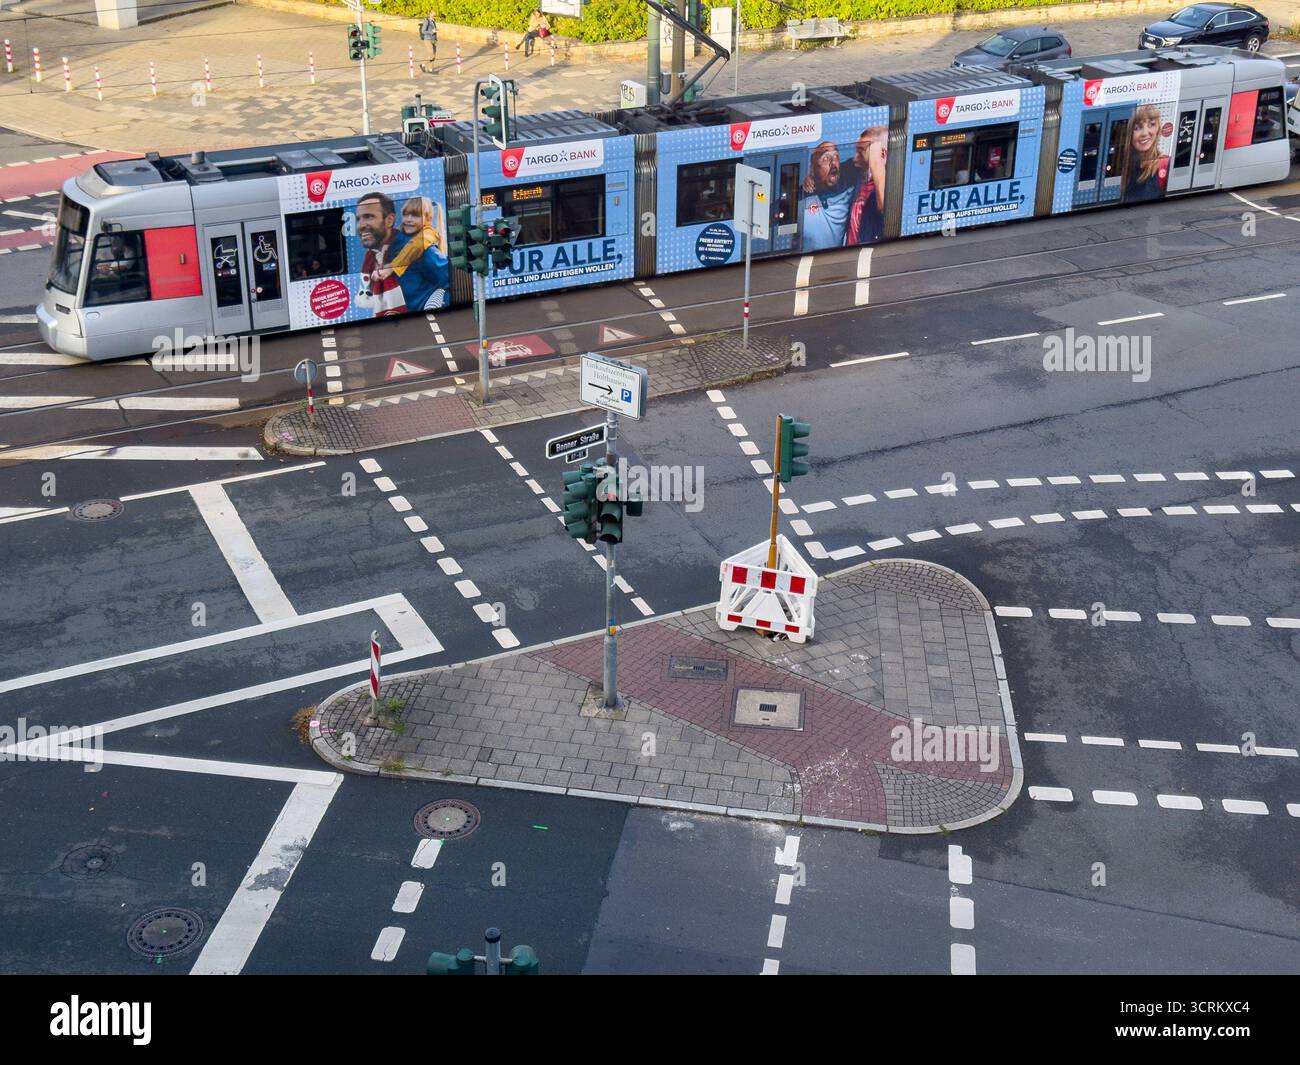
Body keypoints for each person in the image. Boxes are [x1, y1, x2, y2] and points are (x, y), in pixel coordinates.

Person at [375, 197, 451, 311]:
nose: (408, 219)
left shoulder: (427, 250)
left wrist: (392, 268)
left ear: (428, 218)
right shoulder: (399, 238)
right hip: (412, 305)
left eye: (415, 215)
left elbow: (449, 277)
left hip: (427, 300)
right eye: (405, 215)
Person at [354, 192, 408, 317]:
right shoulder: (371, 255)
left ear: (389, 220)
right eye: (358, 219)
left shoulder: (407, 249)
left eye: (368, 217)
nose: (360, 226)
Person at [800, 141, 855, 251]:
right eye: (825, 159)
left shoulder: (849, 182)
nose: (833, 162)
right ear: (812, 169)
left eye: (836, 156)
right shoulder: (801, 197)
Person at [846, 126, 887, 246]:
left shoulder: (893, 184)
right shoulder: (857, 176)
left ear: (882, 153)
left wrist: (876, 162)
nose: (855, 158)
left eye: (860, 151)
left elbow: (885, 209)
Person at [1122, 103, 1169, 204]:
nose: (1145, 133)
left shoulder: (1165, 164)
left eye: (1151, 125)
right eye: (1138, 127)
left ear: (1157, 129)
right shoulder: (1126, 166)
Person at [419, 10, 438, 74]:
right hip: (427, 39)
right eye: (433, 14)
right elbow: (423, 31)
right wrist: (431, 31)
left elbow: (433, 30)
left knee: (434, 55)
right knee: (431, 54)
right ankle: (423, 64)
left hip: (433, 39)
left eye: (435, 14)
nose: (435, 15)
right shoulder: (426, 21)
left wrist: (435, 31)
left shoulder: (433, 21)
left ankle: (430, 69)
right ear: (430, 14)